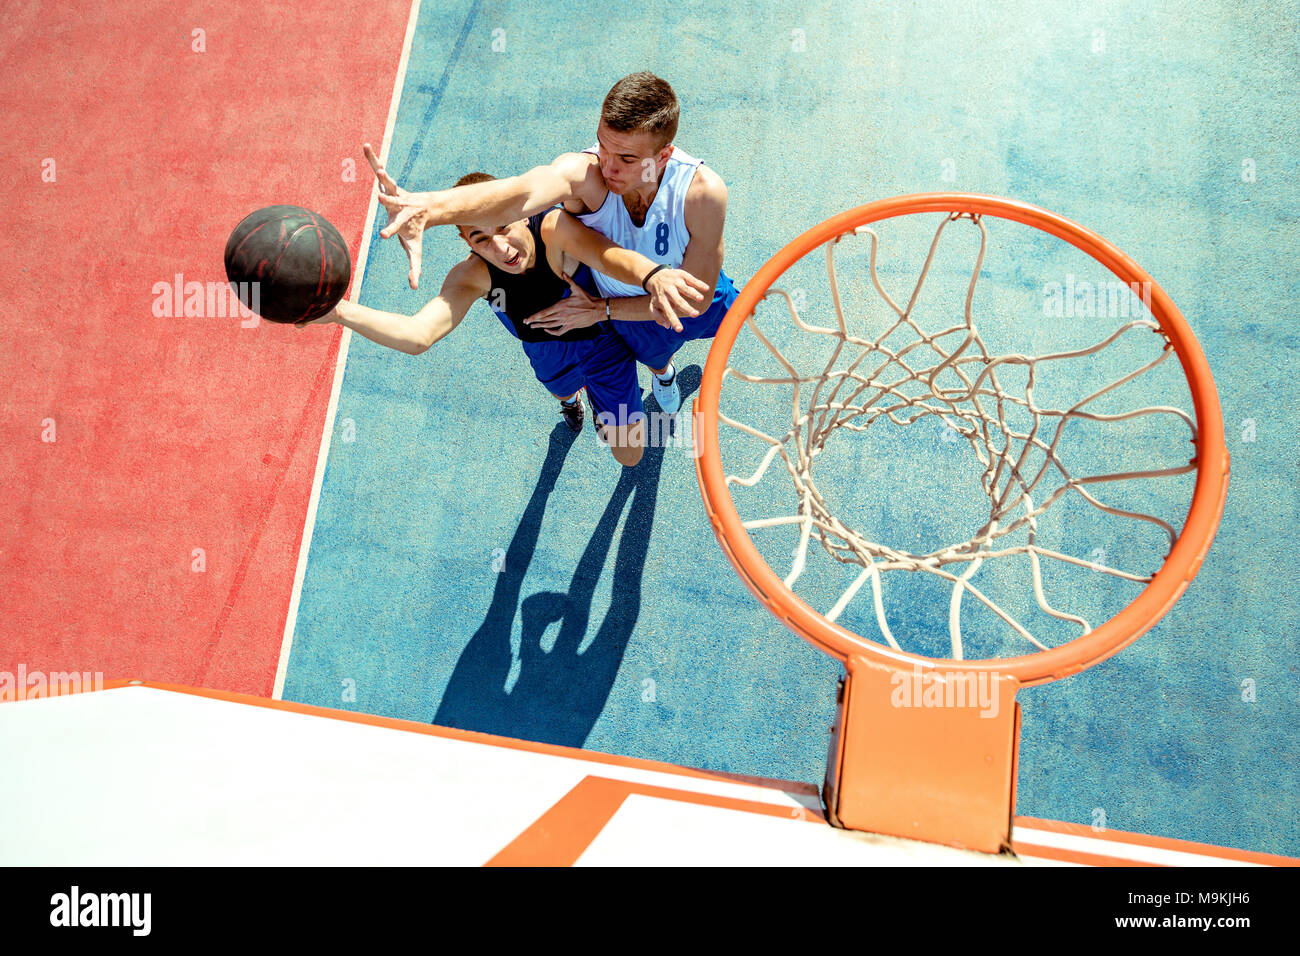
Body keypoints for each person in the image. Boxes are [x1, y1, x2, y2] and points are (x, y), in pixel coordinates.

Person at [364, 71, 737, 416]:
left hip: (679, 291)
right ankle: (663, 374)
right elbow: (525, 191)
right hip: (628, 307)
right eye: (604, 147)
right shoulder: (585, 175)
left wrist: (601, 310)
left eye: (626, 158)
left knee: (738, 319)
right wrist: (430, 208)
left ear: (664, 156)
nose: (609, 167)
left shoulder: (702, 193)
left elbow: (695, 300)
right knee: (655, 355)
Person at [302, 165, 707, 468]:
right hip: (546, 352)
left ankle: (662, 374)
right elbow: (418, 335)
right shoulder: (471, 276)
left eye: (503, 226)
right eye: (480, 237)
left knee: (629, 454)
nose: (501, 247)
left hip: (600, 339)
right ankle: (570, 403)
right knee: (563, 391)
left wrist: (652, 276)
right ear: (465, 240)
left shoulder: (552, 228)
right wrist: (340, 312)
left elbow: (608, 255)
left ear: (519, 210)